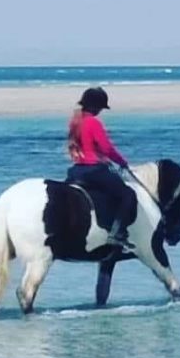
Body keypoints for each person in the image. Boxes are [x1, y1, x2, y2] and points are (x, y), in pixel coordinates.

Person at [66, 87, 137, 250]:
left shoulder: (74, 121)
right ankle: (117, 234)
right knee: (128, 195)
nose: (100, 111)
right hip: (94, 170)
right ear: (95, 106)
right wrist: (122, 162)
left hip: (76, 169)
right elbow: (106, 149)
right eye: (99, 108)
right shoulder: (93, 122)